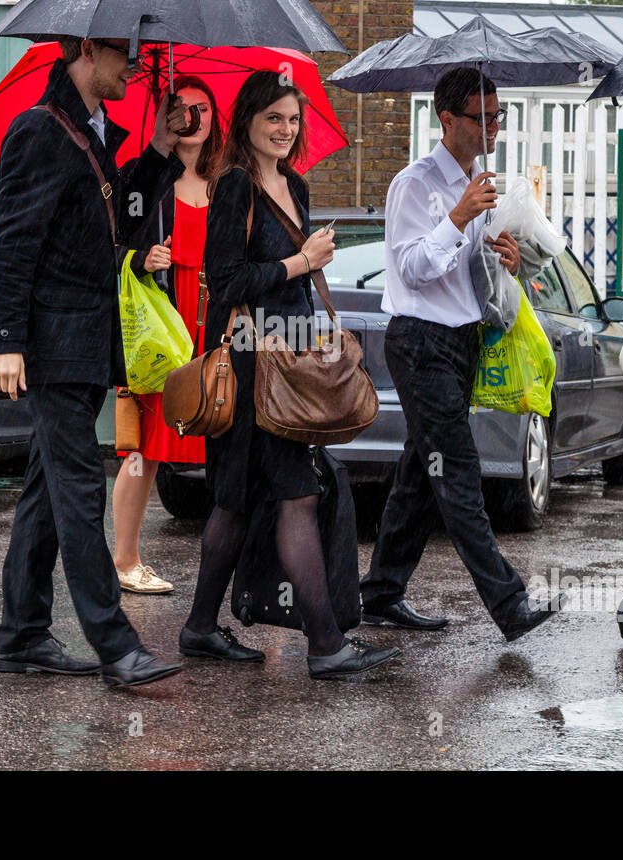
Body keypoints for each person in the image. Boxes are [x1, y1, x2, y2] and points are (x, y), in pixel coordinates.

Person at [181, 69, 400, 679]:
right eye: (273, 117)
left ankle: (200, 627)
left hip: (290, 360)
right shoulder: (233, 188)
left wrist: (308, 282)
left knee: (234, 503)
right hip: (251, 367)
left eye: (293, 119)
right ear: (247, 120)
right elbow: (224, 283)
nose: (285, 128)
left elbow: (294, 283)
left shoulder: (296, 187)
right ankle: (327, 646)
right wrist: (299, 261)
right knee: (295, 496)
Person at [0, 35, 190, 687]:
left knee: (46, 496)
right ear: (82, 51)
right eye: (121, 53)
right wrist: (4, 339)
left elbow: (124, 222)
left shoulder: (91, 129)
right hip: (50, 347)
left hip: (83, 345)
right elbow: (12, 241)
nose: (132, 65)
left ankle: (20, 635)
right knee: (79, 492)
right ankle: (115, 643)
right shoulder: (39, 131)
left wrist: (159, 148)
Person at [358, 67, 562, 644]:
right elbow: (414, 270)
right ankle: (510, 604)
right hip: (419, 340)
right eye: (483, 118)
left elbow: (467, 275)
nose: (493, 128)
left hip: (460, 340)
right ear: (447, 119)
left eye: (499, 116)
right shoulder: (415, 185)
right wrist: (460, 217)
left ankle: (380, 594)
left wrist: (506, 258)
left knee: (422, 473)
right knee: (460, 472)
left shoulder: (480, 179)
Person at [111, 75, 223, 595]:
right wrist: (141, 258)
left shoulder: (230, 182)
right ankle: (125, 560)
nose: (193, 119)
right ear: (166, 116)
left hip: (216, 326)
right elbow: (110, 248)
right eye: (182, 109)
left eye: (202, 109)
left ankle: (239, 567)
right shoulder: (144, 176)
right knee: (146, 447)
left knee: (228, 442)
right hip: (165, 327)